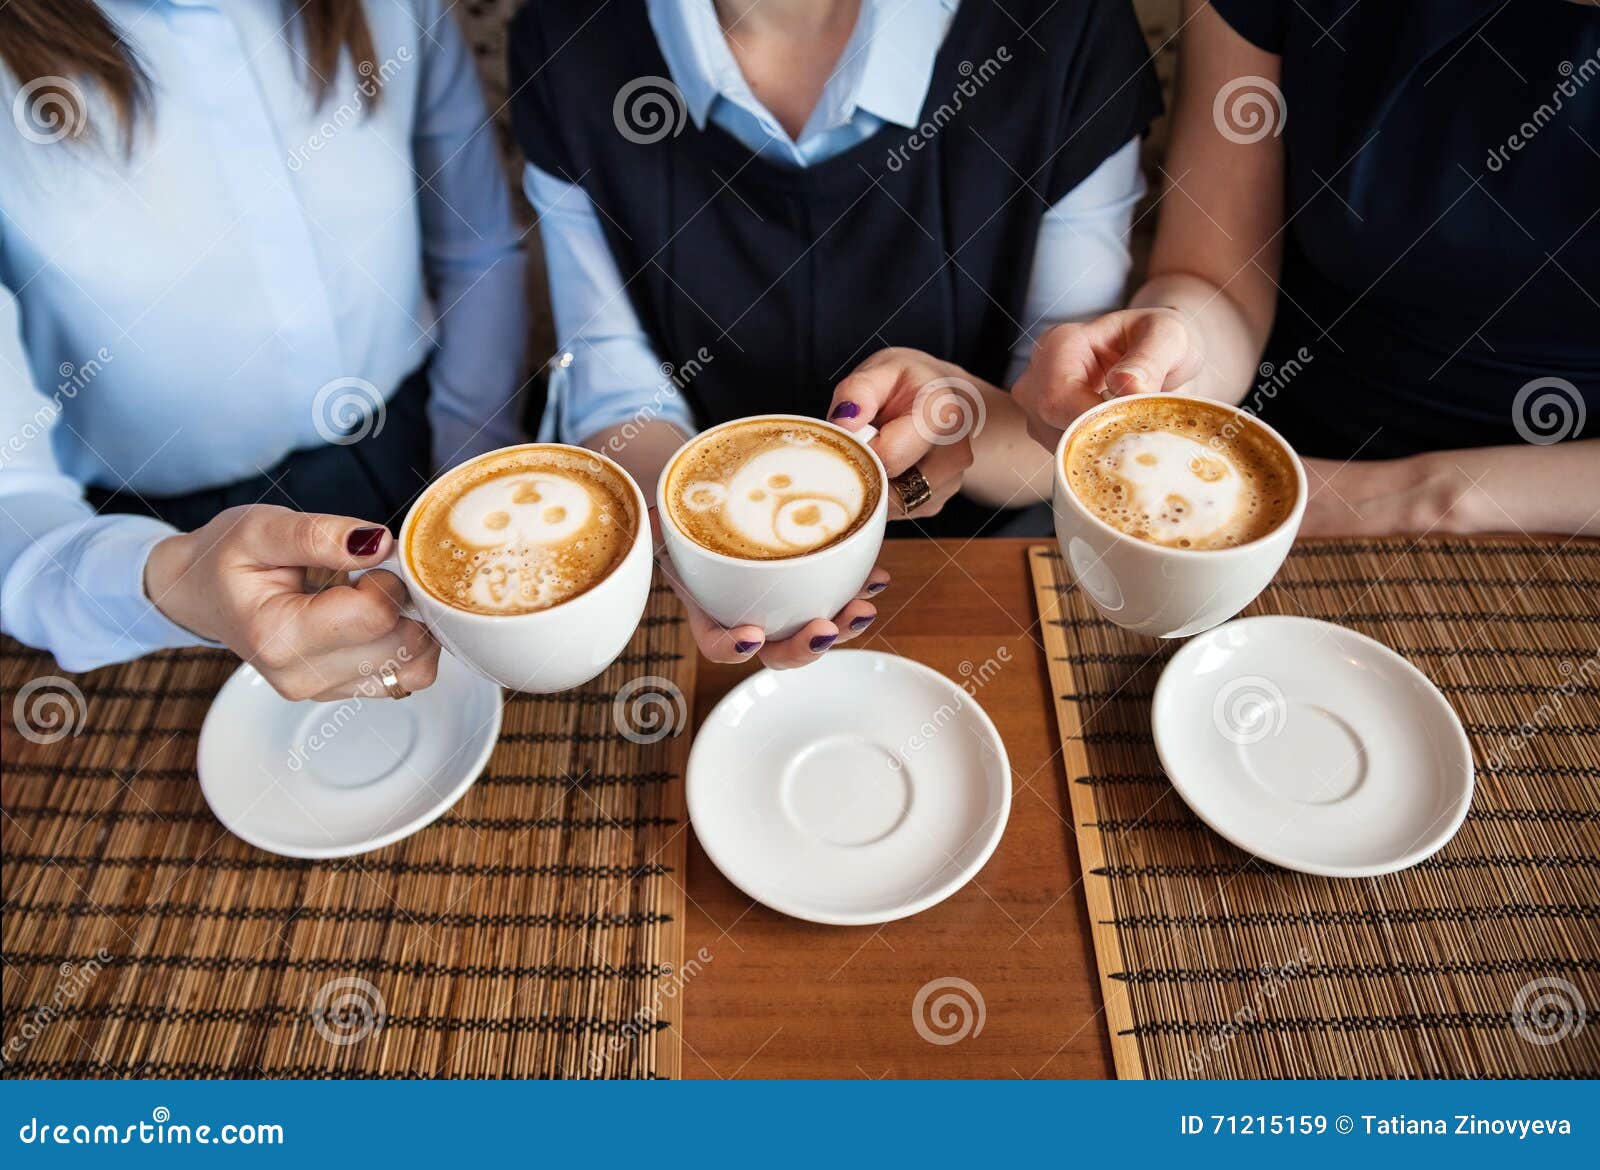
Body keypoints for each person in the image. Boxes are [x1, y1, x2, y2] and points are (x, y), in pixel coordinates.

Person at [509, 0, 1161, 666]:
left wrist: (958, 411)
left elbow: (1064, 431)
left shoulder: (1067, 24)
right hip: (704, 591)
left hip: (983, 573)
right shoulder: (565, 37)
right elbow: (616, 382)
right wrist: (699, 543)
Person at [0, 0, 527, 697]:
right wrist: (171, 581)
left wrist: (469, 467)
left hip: (424, 448)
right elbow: (12, 500)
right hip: (146, 552)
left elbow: (476, 247)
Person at [1013, 0, 1599, 537]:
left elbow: (1428, 502)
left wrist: (1419, 497)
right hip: (1265, 462)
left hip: (1553, 523)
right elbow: (1217, 283)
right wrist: (1173, 358)